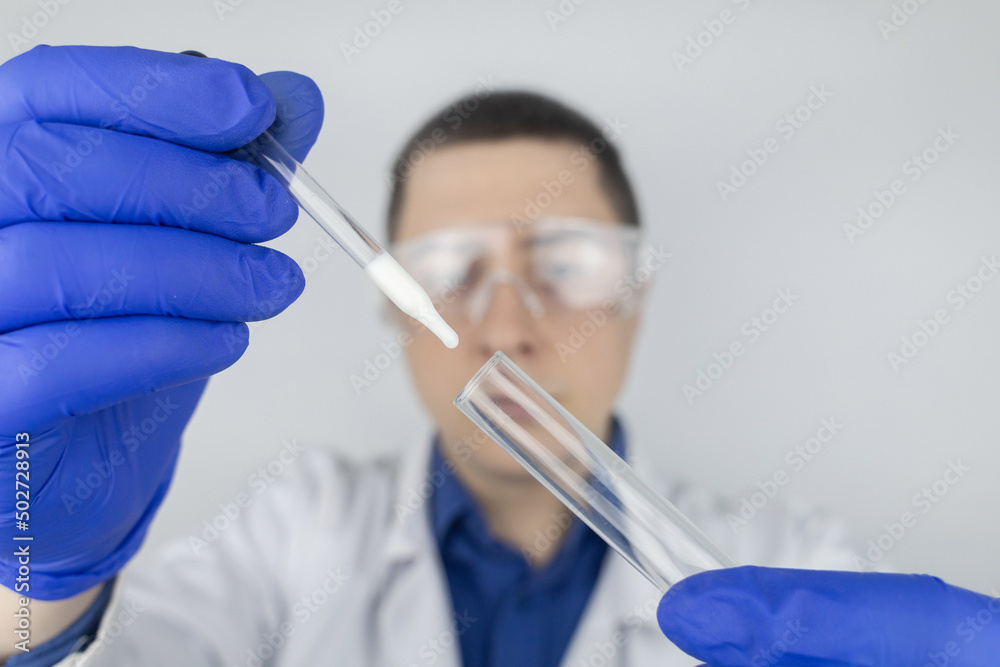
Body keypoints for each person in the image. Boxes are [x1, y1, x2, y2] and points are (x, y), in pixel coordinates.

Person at [0, 45, 857, 666]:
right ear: (392, 295)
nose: (507, 327)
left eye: (567, 264)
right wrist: (41, 582)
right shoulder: (293, 535)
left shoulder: (794, 564)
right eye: (450, 269)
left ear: (634, 291)